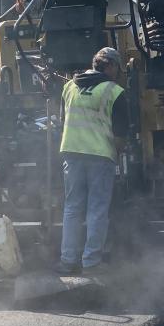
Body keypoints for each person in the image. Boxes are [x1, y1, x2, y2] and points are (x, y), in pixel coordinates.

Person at [58, 46, 128, 275]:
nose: (118, 72)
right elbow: (120, 133)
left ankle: (67, 260)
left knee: (72, 208)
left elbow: (62, 120)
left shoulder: (69, 87)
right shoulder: (114, 92)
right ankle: (91, 262)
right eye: (118, 67)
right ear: (110, 66)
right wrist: (117, 154)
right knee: (97, 209)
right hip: (100, 155)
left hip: (71, 153)